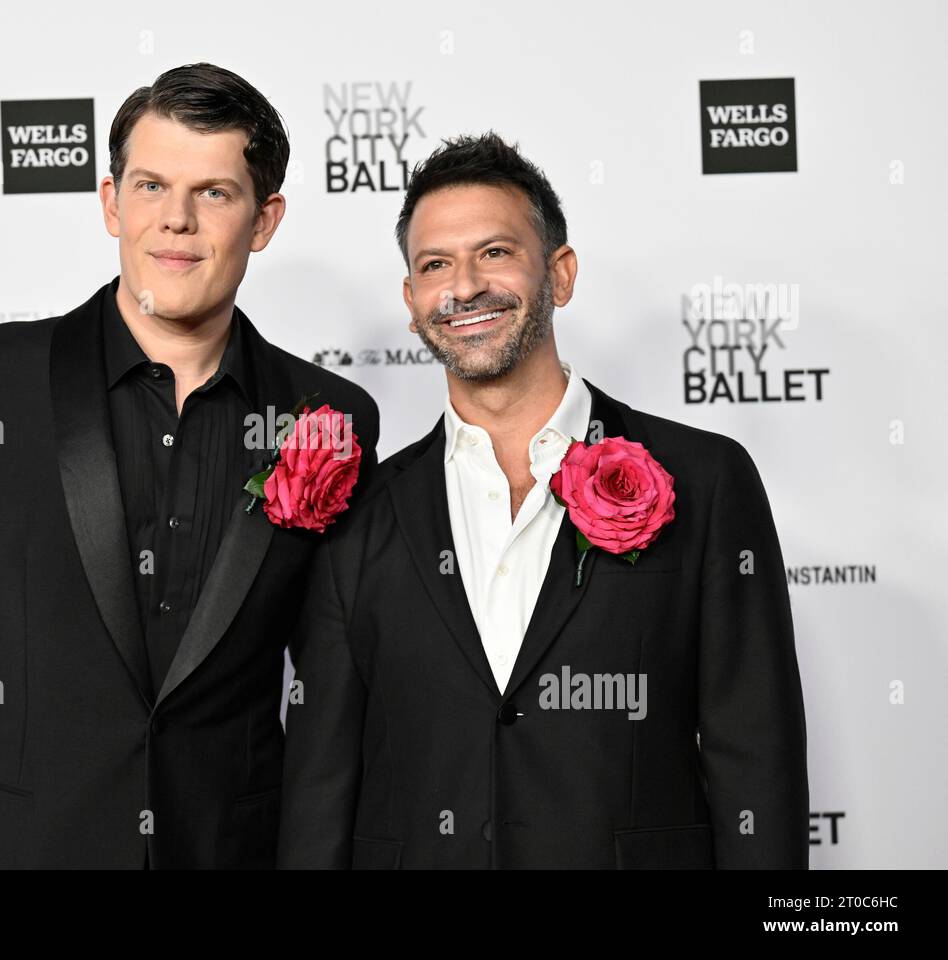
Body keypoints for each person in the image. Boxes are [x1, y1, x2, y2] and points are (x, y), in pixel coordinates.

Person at [0, 62, 378, 868]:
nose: (177, 221)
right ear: (111, 202)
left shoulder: (327, 418)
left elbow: (331, 701)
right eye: (152, 186)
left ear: (264, 220)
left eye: (214, 194)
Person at [277, 131, 807, 868]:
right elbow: (319, 788)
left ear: (559, 273)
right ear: (411, 300)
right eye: (436, 265)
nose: (464, 287)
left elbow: (756, 757)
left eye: (495, 253)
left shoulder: (706, 479)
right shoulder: (360, 514)